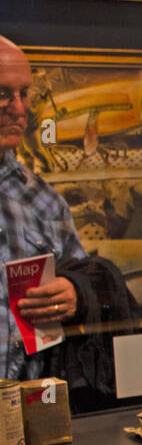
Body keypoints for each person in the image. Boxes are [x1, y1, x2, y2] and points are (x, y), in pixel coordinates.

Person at [0, 35, 90, 382]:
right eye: (3, 94)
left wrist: (73, 292)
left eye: (25, 94)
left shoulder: (43, 200)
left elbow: (85, 277)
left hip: (28, 408)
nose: (20, 109)